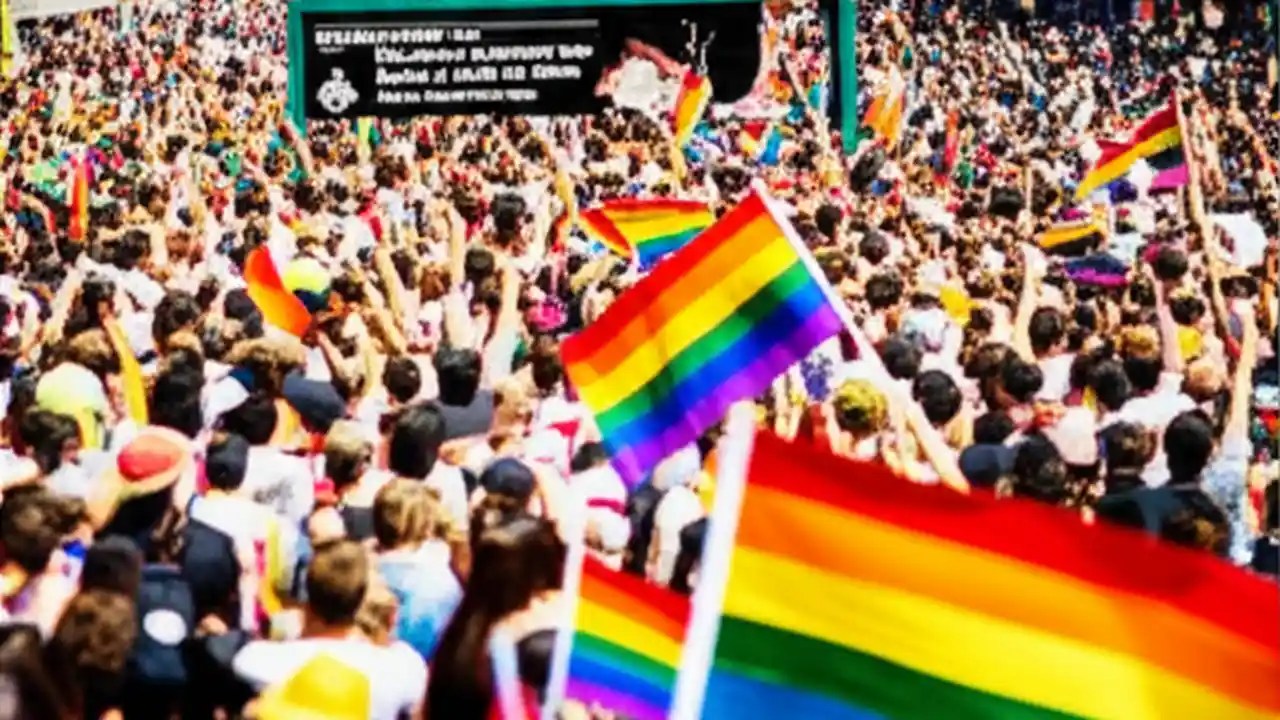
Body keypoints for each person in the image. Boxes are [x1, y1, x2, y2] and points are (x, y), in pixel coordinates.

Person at [232, 540, 427, 720]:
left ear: (307, 603)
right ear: (361, 601)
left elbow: (242, 657)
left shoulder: (258, 659)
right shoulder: (402, 667)